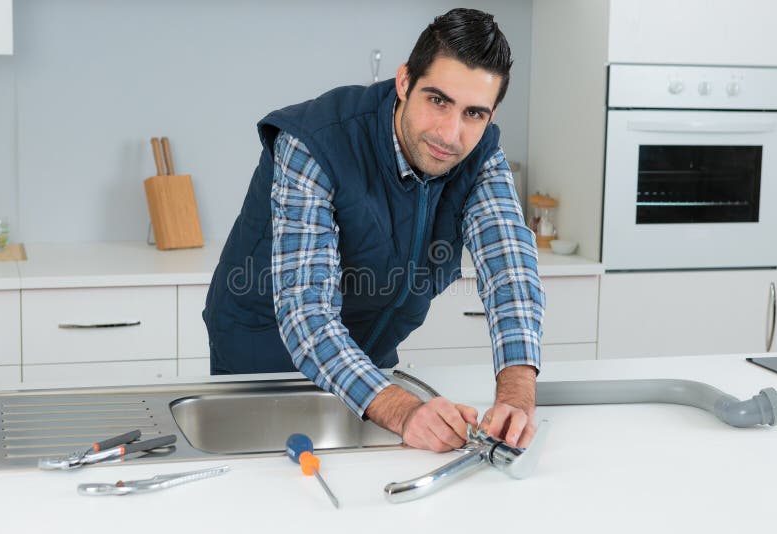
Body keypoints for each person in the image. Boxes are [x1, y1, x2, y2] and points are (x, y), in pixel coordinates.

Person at [203, 8, 545, 452]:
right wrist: (403, 411)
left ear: (491, 113)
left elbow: (510, 269)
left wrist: (516, 395)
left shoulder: (478, 155)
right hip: (264, 362)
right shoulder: (313, 143)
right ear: (404, 82)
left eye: (474, 113)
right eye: (438, 100)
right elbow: (308, 313)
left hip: (365, 365)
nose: (450, 133)